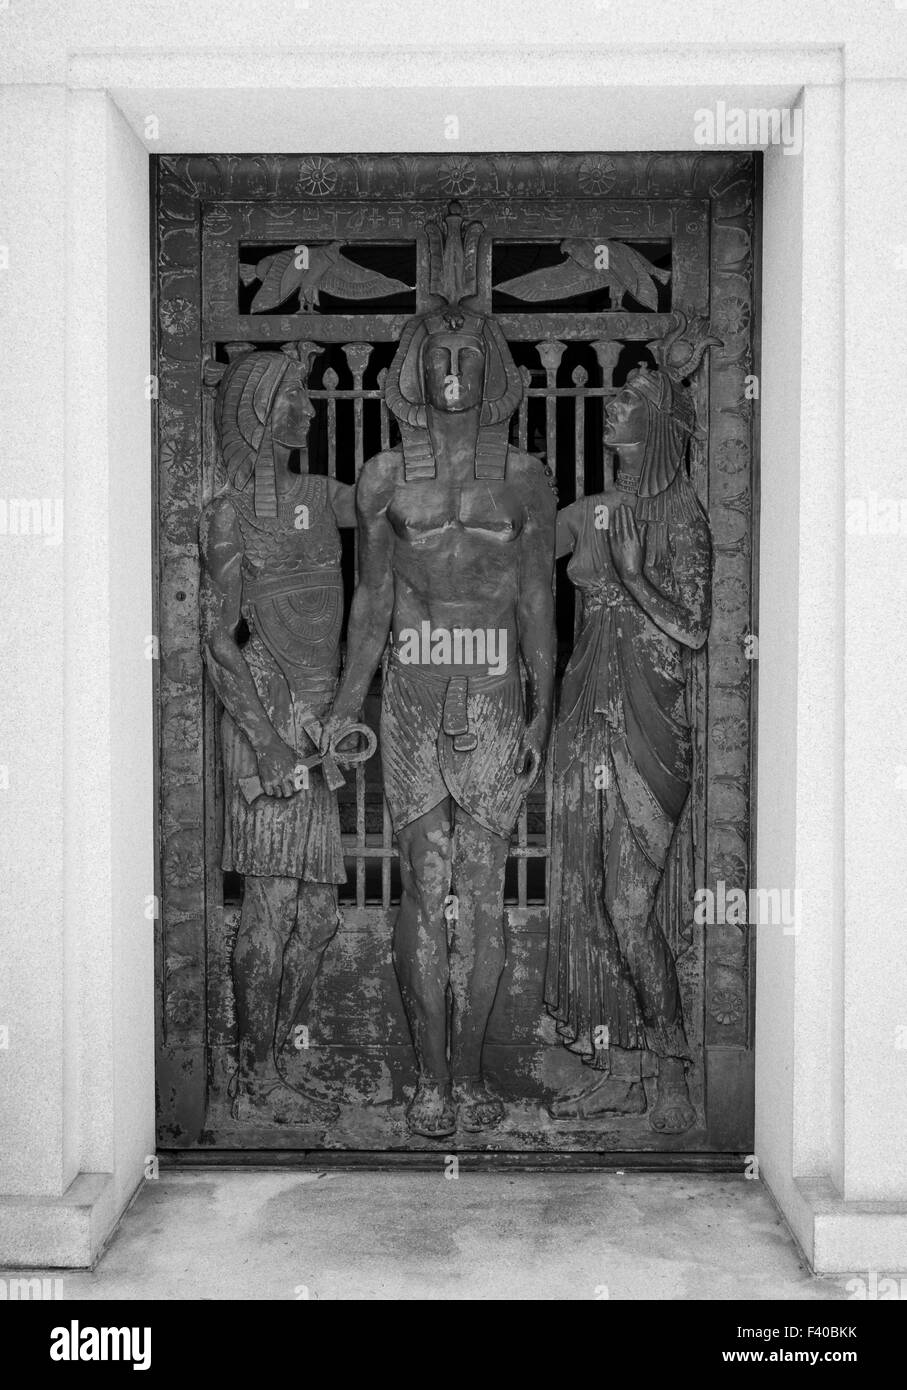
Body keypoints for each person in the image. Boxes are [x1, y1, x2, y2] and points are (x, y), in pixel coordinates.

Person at [322, 281, 557, 1138]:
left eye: (467, 356)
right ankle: (429, 1082)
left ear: (491, 372)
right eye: (436, 356)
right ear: (410, 373)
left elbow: (537, 603)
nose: (451, 370)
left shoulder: (526, 480)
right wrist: (349, 702)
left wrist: (541, 710)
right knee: (422, 886)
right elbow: (371, 603)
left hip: (494, 690)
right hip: (416, 694)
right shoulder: (384, 477)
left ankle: (470, 1074)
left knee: (484, 893)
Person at [545, 364, 712, 1133]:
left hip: (651, 726)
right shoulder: (588, 511)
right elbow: (507, 557)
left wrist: (637, 578)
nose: (612, 408)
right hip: (585, 711)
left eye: (630, 401)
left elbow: (697, 629)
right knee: (583, 894)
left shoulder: (681, 514)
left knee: (629, 904)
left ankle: (670, 1073)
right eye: (611, 398)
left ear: (661, 425)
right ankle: (614, 1066)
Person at [200, 343, 356, 1125]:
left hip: (318, 713)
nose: (309, 407)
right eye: (295, 394)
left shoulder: (324, 495)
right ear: (261, 407)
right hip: (266, 708)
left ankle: (277, 1057)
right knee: (270, 903)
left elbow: (402, 514)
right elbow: (217, 635)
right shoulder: (230, 513)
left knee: (319, 915)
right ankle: (253, 1072)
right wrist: (262, 738)